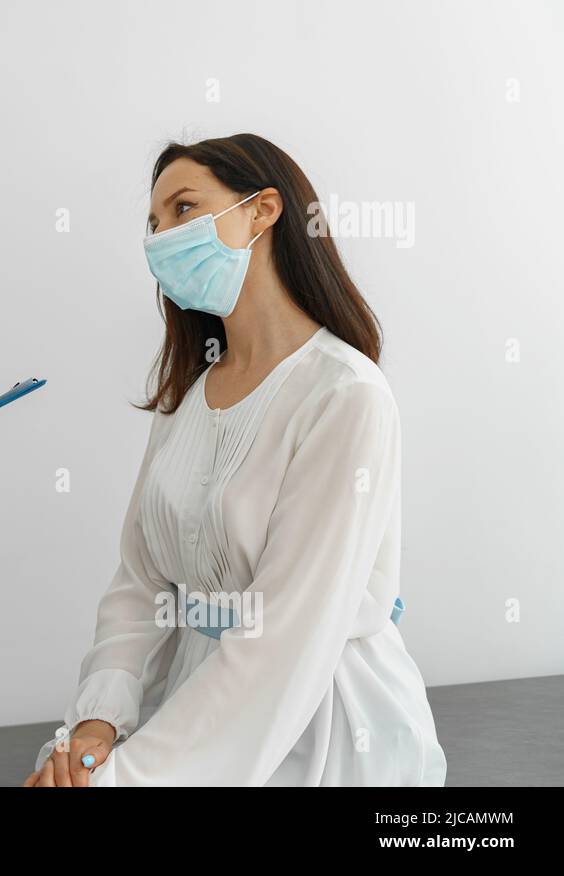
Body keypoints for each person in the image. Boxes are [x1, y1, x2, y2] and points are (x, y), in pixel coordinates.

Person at [26, 133, 445, 786]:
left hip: (323, 729)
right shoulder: (189, 394)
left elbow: (285, 639)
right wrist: (97, 727)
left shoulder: (346, 396)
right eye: (152, 224)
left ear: (263, 211)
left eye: (184, 209)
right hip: (193, 714)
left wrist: (126, 778)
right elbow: (140, 584)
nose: (161, 238)